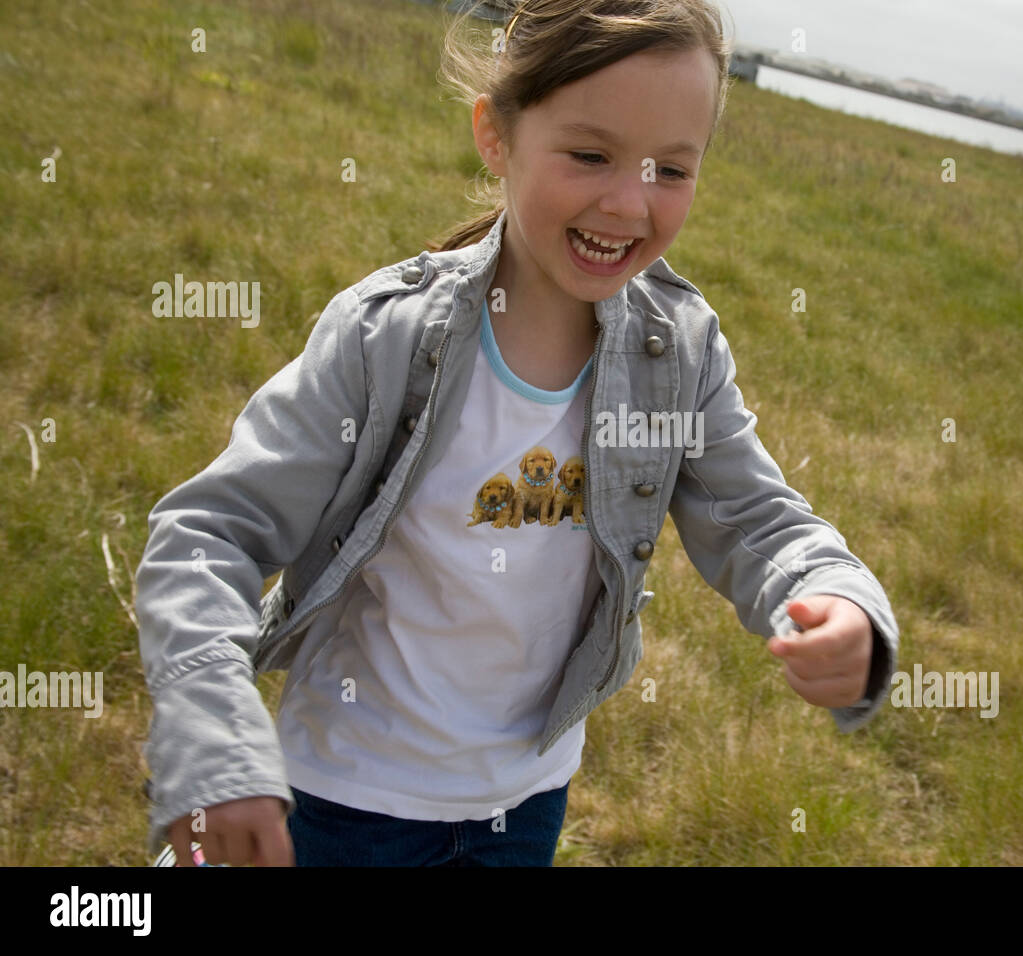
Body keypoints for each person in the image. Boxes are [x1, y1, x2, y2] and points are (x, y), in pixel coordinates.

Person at [136, 0, 899, 868]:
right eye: (590, 155)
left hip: (523, 809)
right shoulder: (384, 337)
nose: (627, 202)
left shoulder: (677, 355)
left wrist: (840, 599)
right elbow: (208, 534)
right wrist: (216, 742)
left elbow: (761, 521)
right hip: (339, 801)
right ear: (495, 134)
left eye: (670, 170)